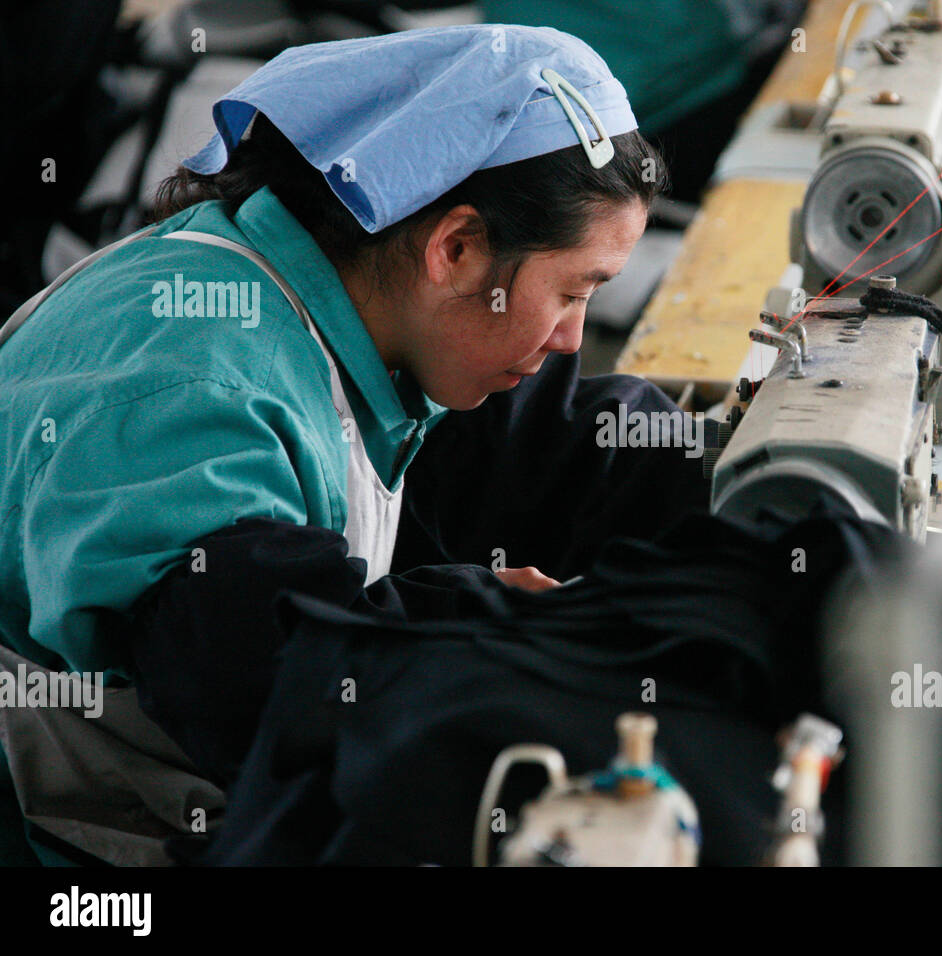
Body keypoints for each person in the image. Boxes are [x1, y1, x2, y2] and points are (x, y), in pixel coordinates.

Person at [0, 24, 667, 865]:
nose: (573, 338)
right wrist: (482, 622)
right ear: (455, 248)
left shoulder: (340, 301)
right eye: (574, 291)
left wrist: (698, 479)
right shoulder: (196, 396)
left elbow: (537, 447)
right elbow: (277, 693)